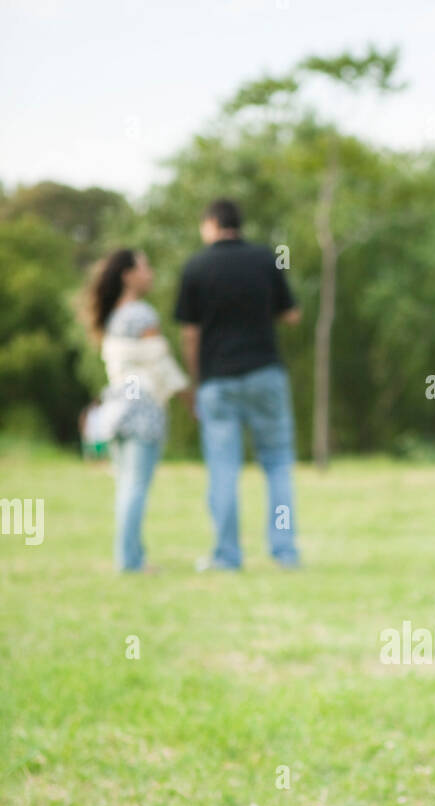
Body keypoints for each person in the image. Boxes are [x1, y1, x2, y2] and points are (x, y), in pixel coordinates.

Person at [174, 198, 302, 570]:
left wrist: (197, 383)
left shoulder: (196, 267)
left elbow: (190, 335)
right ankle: (284, 552)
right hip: (265, 372)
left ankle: (227, 555)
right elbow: (291, 314)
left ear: (211, 224)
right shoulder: (267, 259)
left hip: (218, 380)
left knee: (223, 468)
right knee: (277, 465)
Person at [88, 249, 189, 572]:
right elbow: (161, 364)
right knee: (136, 488)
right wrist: (189, 396)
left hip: (115, 411)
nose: (151, 273)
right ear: (127, 275)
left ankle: (131, 555)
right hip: (142, 409)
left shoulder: (113, 318)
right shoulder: (140, 315)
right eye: (145, 267)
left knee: (126, 487)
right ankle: (130, 560)